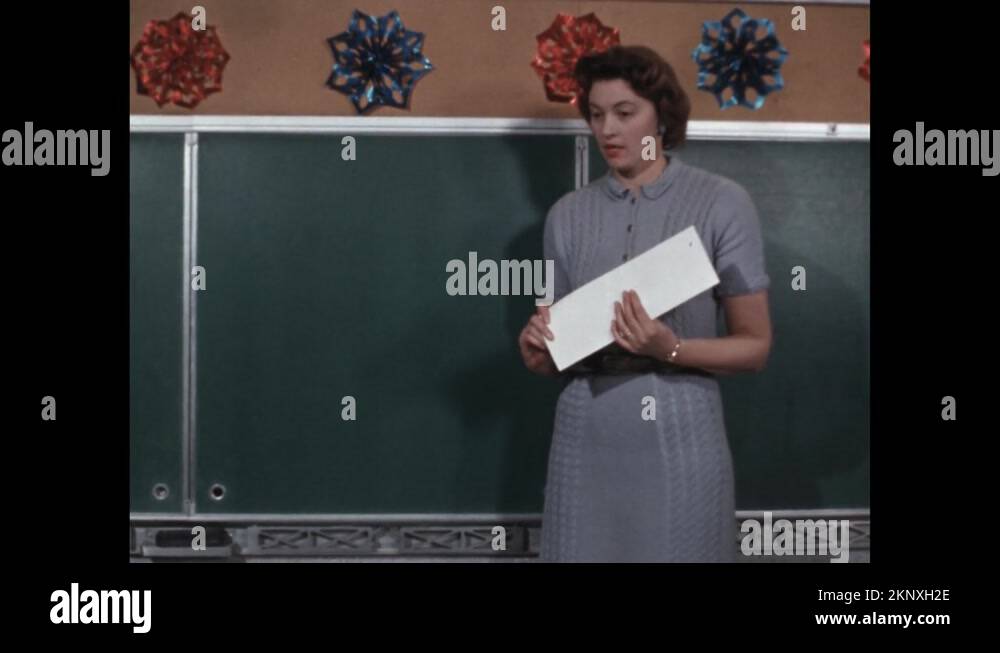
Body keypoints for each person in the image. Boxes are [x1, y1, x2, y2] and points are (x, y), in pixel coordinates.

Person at [518, 45, 773, 562]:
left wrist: (670, 347)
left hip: (682, 438)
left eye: (624, 113)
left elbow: (755, 347)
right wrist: (539, 353)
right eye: (595, 114)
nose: (607, 129)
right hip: (583, 439)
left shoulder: (722, 202)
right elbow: (560, 350)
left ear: (661, 114)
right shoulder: (565, 216)